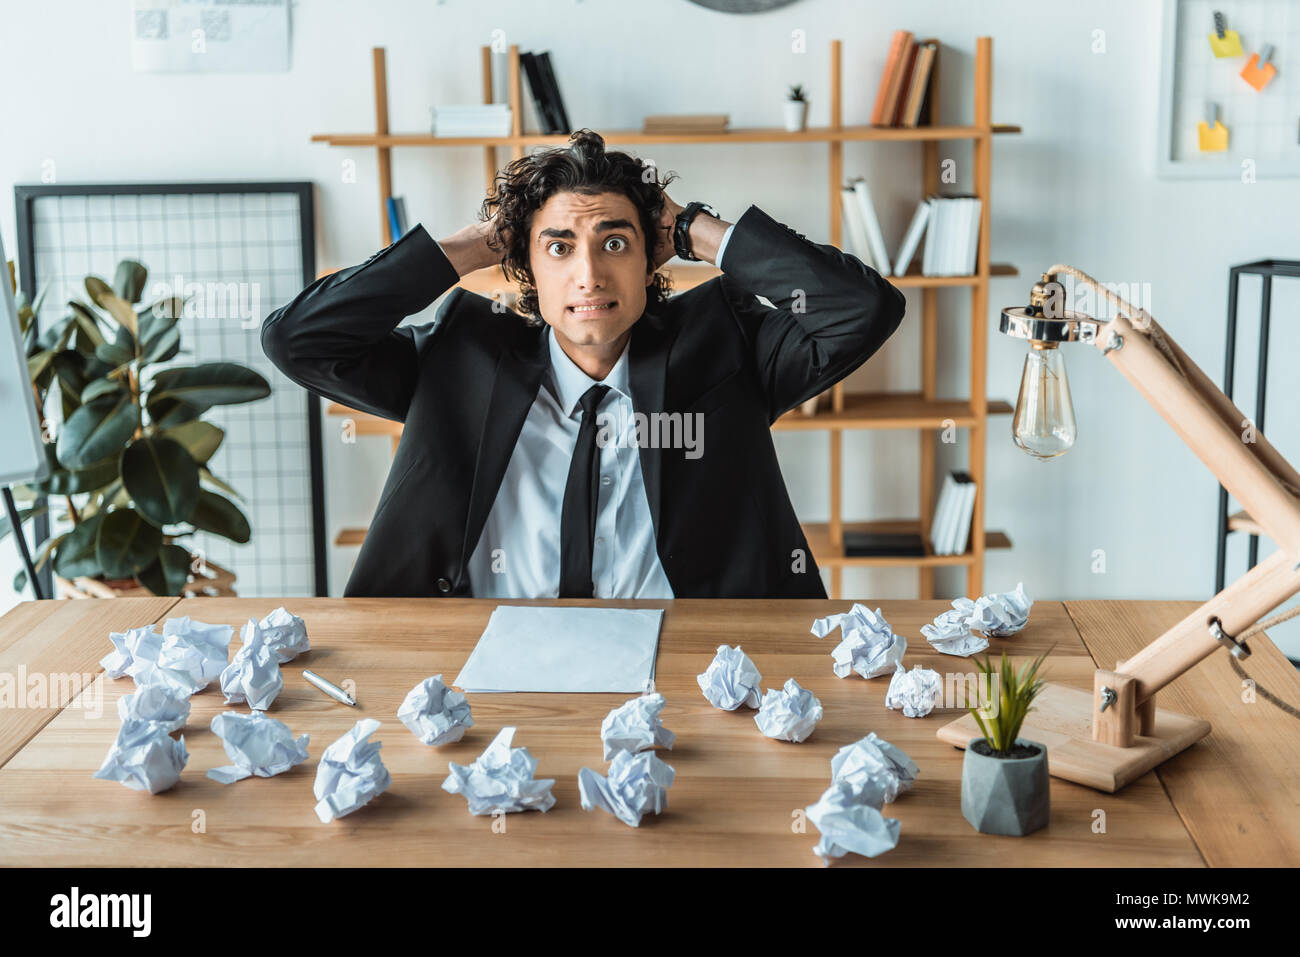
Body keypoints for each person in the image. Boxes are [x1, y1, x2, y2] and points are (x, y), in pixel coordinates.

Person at [262, 129, 905, 599]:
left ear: (650, 260)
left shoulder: (726, 345)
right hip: (478, 658)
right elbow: (299, 340)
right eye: (559, 246)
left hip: (698, 662)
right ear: (527, 265)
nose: (589, 274)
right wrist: (476, 244)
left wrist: (694, 229)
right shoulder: (460, 356)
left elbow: (862, 309)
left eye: (615, 243)